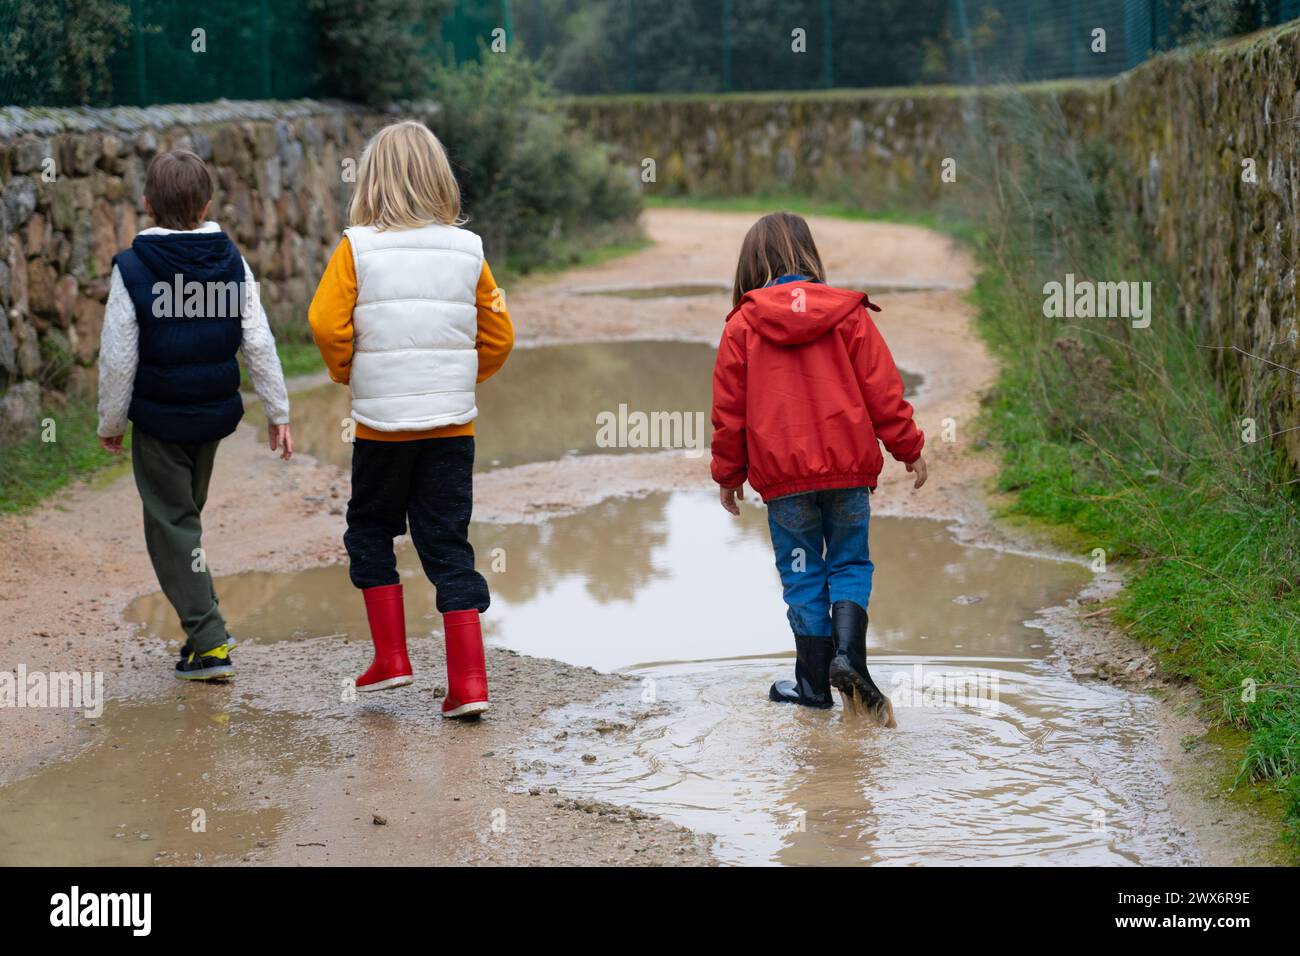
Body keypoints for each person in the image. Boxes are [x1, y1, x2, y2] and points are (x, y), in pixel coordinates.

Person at [308, 121, 514, 719]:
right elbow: (499, 334)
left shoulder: (357, 247)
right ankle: (469, 686)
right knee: (448, 543)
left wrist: (348, 370)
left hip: (381, 430)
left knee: (371, 530)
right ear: (439, 179)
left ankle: (392, 659)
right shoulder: (467, 250)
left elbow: (325, 324)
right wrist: (456, 375)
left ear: (372, 181)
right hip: (452, 428)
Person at [710, 212, 928, 726]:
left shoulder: (742, 325)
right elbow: (884, 391)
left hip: (785, 480)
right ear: (809, 255)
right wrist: (909, 447)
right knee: (850, 563)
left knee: (802, 571)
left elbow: (729, 413)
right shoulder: (849, 315)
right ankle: (850, 661)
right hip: (848, 471)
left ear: (752, 263)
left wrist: (728, 474)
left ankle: (812, 687)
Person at [97, 149, 293, 681]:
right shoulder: (230, 261)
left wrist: (111, 422)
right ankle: (207, 632)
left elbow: (119, 356)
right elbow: (258, 339)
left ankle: (209, 644)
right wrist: (278, 410)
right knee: (184, 524)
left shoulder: (134, 268)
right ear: (207, 206)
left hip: (160, 423)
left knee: (174, 528)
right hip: (210, 419)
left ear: (146, 204)